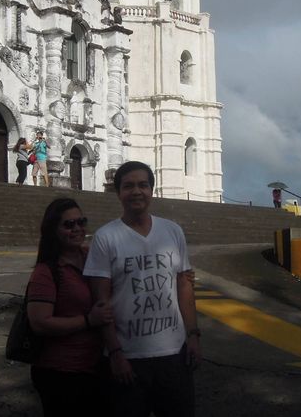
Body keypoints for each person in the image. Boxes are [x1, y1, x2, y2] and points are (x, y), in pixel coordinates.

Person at [84, 161, 200, 417]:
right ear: (118, 193)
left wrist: (192, 335)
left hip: (174, 353)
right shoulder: (106, 237)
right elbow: (101, 302)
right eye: (128, 186)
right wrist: (115, 353)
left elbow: (184, 287)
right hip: (129, 356)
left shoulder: (172, 231)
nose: (136, 191)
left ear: (151, 190)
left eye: (143, 185)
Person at [27, 198, 114, 417]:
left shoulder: (91, 255)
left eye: (81, 222)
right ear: (53, 230)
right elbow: (39, 323)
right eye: (68, 225)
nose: (77, 229)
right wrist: (88, 320)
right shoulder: (46, 271)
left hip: (95, 365)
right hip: (61, 372)